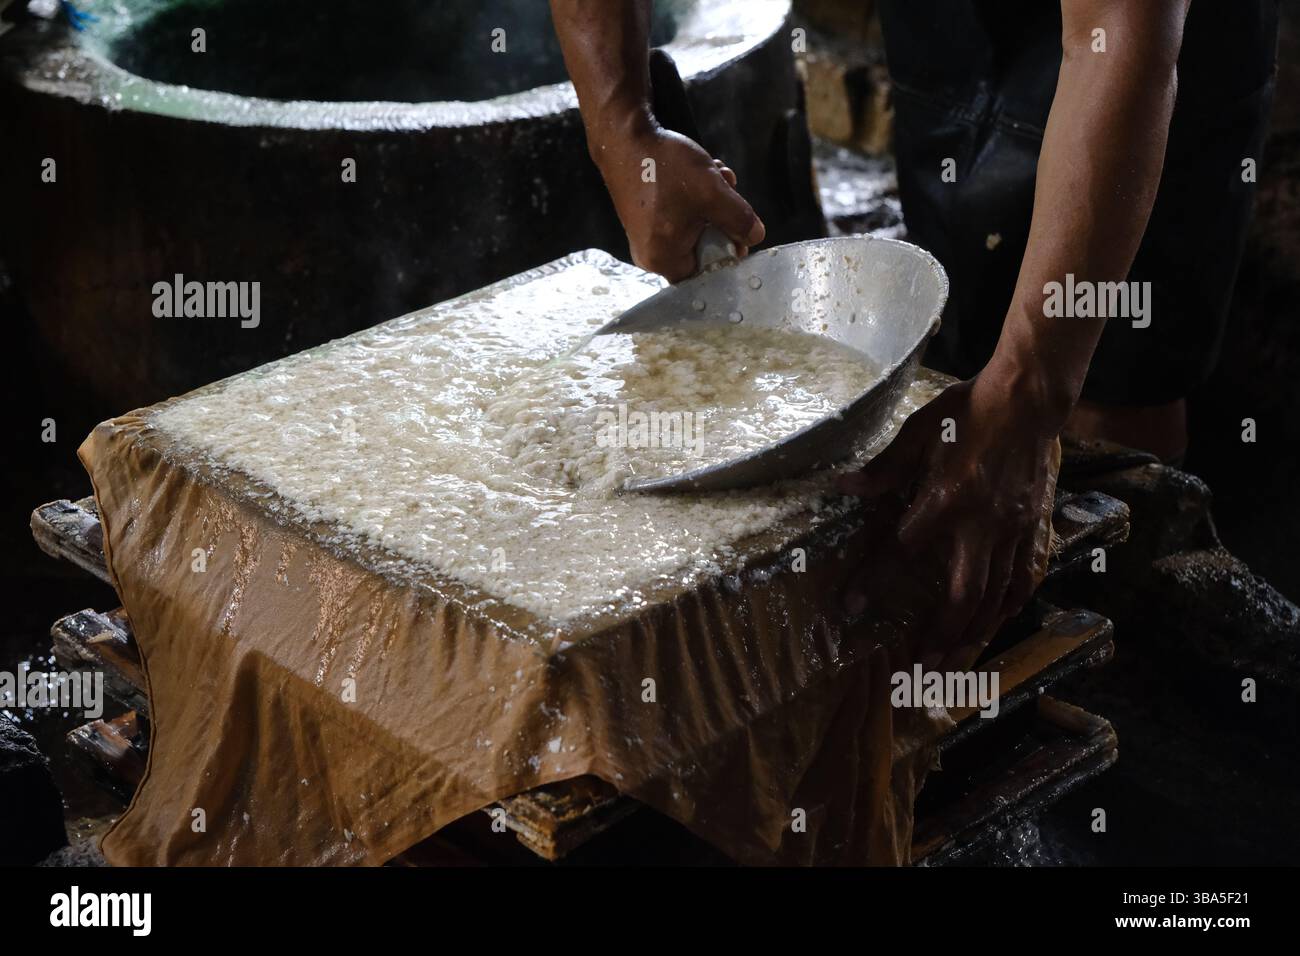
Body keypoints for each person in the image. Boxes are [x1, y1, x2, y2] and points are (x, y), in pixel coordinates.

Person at [548, 0, 1278, 649]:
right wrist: (625, 130)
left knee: (1105, 391)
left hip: (1145, 40)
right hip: (952, 28)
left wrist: (1027, 401)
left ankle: (1117, 659)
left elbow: (1120, 31)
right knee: (966, 338)